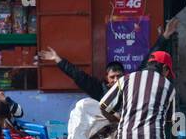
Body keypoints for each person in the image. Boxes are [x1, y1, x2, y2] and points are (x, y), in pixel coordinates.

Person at [37, 19, 178, 100]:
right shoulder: (100, 90)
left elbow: (149, 61)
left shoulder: (133, 84)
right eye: (112, 77)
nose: (116, 79)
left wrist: (164, 36)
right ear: (107, 78)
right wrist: (57, 59)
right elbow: (77, 75)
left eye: (119, 76)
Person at [98, 50, 177, 139]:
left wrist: (120, 119)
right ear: (164, 68)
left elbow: (103, 105)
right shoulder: (168, 86)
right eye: (167, 72)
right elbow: (170, 120)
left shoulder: (126, 79)